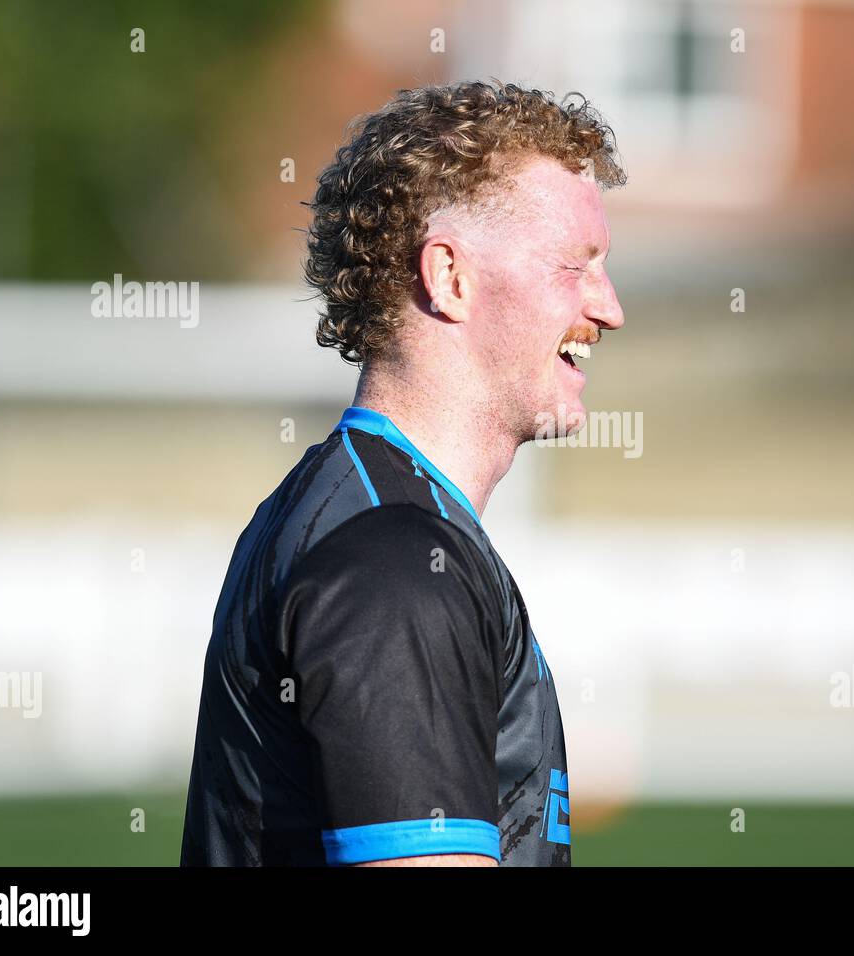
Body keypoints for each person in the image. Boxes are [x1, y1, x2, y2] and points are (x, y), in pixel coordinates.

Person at [180, 80, 626, 866]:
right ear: (449, 277)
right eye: (574, 265)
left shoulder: (364, 515)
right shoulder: (393, 562)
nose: (609, 307)